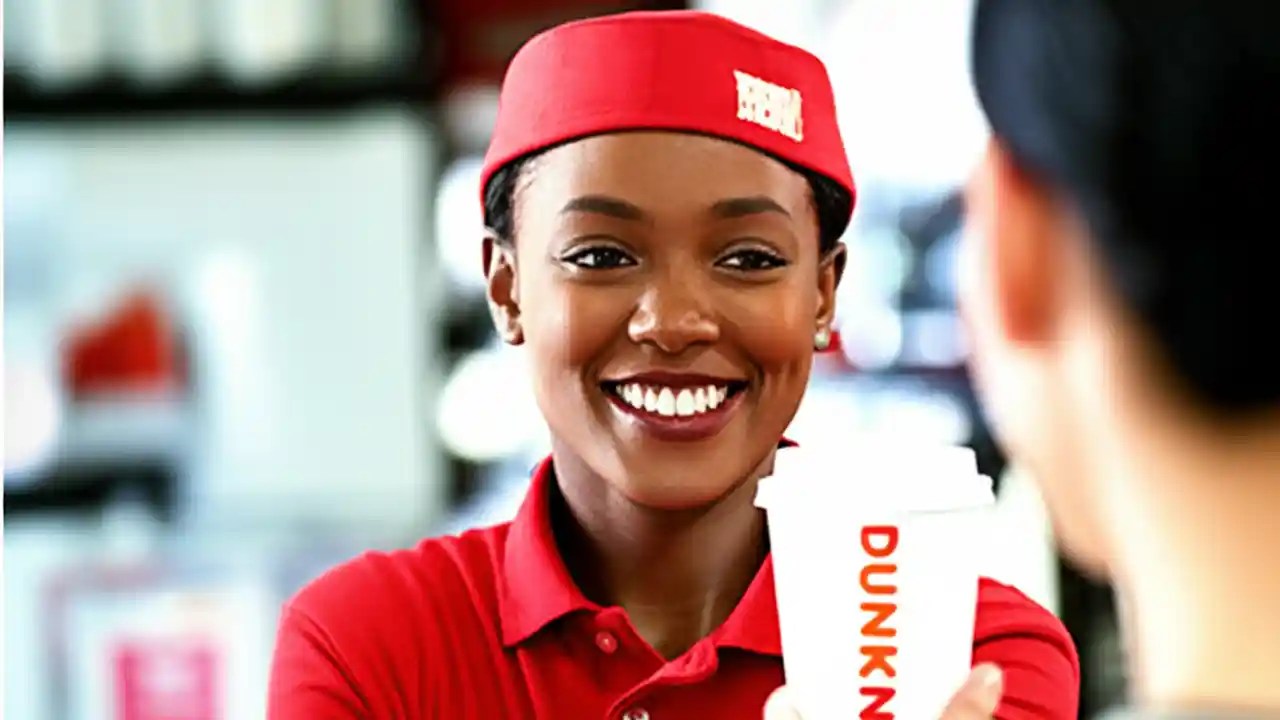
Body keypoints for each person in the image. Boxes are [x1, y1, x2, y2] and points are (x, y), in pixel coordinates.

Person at [268, 10, 1079, 720]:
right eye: (601, 255)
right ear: (506, 289)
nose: (674, 322)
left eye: (749, 259)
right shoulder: (368, 645)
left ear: (823, 295)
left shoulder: (971, 659)